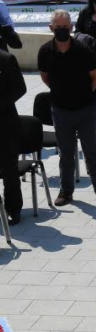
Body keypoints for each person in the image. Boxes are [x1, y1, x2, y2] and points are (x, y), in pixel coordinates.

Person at [38, 10, 96, 208]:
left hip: (85, 110)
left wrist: (84, 95)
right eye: (58, 27)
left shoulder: (83, 50)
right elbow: (45, 77)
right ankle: (66, 191)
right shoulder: (45, 51)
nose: (62, 30)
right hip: (60, 111)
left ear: (71, 28)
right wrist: (61, 92)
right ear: (51, 28)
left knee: (92, 154)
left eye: (65, 27)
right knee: (66, 154)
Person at [0, 47, 25, 227]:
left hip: (5, 124)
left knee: (9, 169)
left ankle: (13, 209)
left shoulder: (6, 59)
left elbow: (19, 88)